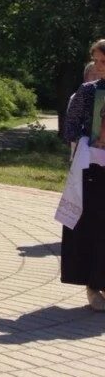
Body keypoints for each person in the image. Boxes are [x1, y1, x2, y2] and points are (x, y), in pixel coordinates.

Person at [59, 39, 105, 310]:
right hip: (93, 172)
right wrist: (93, 142)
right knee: (94, 227)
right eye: (97, 61)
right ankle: (93, 284)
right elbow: (70, 129)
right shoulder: (88, 92)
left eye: (103, 62)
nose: (99, 67)